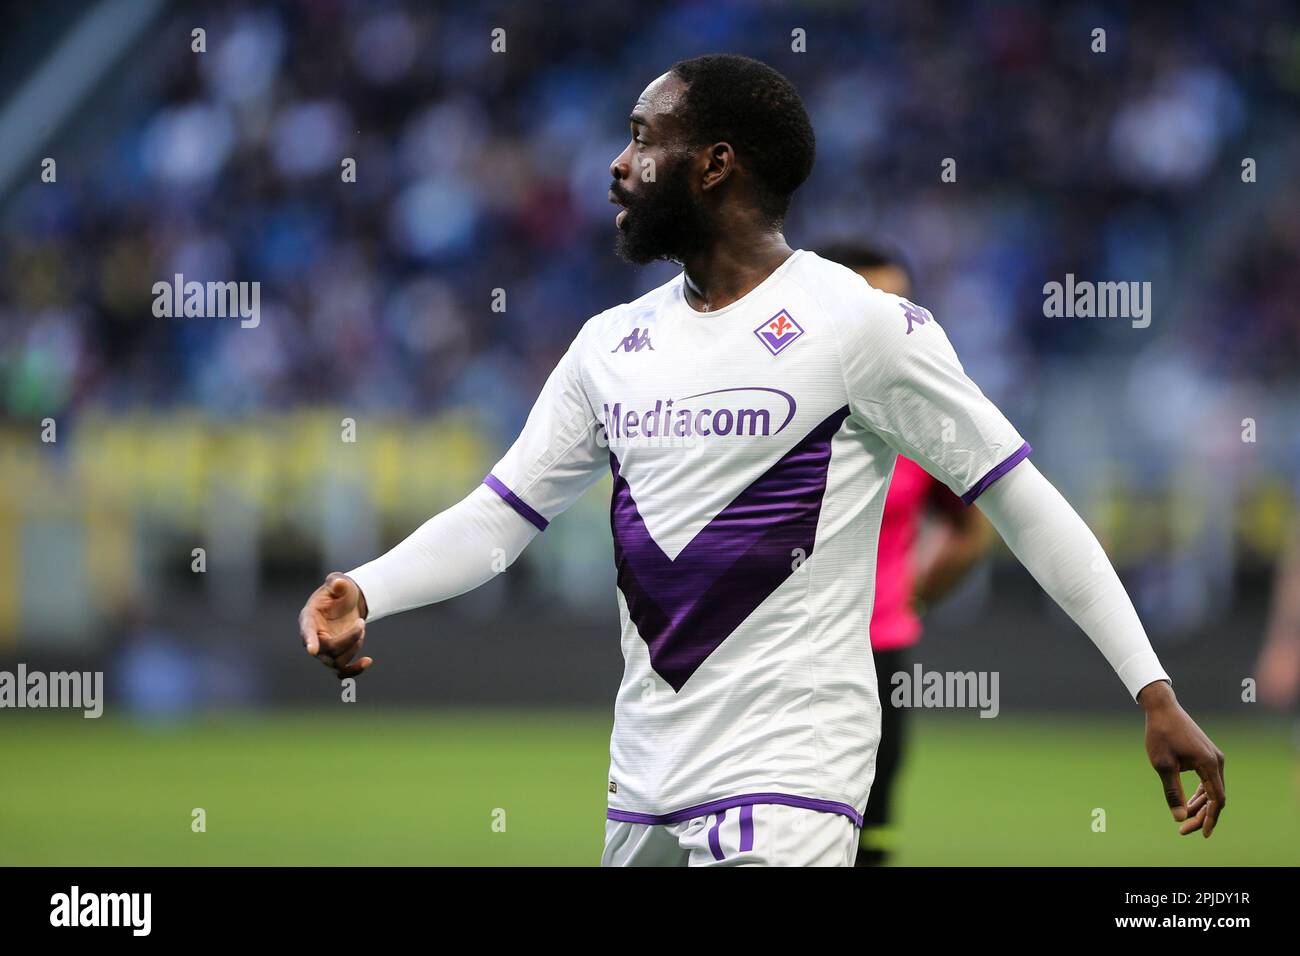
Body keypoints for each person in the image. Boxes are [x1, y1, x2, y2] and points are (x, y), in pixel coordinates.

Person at [297, 54, 1225, 867]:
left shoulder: (857, 323)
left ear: (714, 164)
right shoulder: (609, 345)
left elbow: (1022, 501)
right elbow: (499, 520)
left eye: (641, 138)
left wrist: (1152, 688)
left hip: (793, 774)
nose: (617, 166)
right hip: (644, 780)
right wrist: (367, 588)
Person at [819, 242, 994, 866]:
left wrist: (910, 594)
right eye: (875, 302)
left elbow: (973, 528)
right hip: (779, 654)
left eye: (903, 302)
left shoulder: (920, 418)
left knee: (870, 836)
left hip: (878, 654)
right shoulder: (776, 409)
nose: (892, 317)